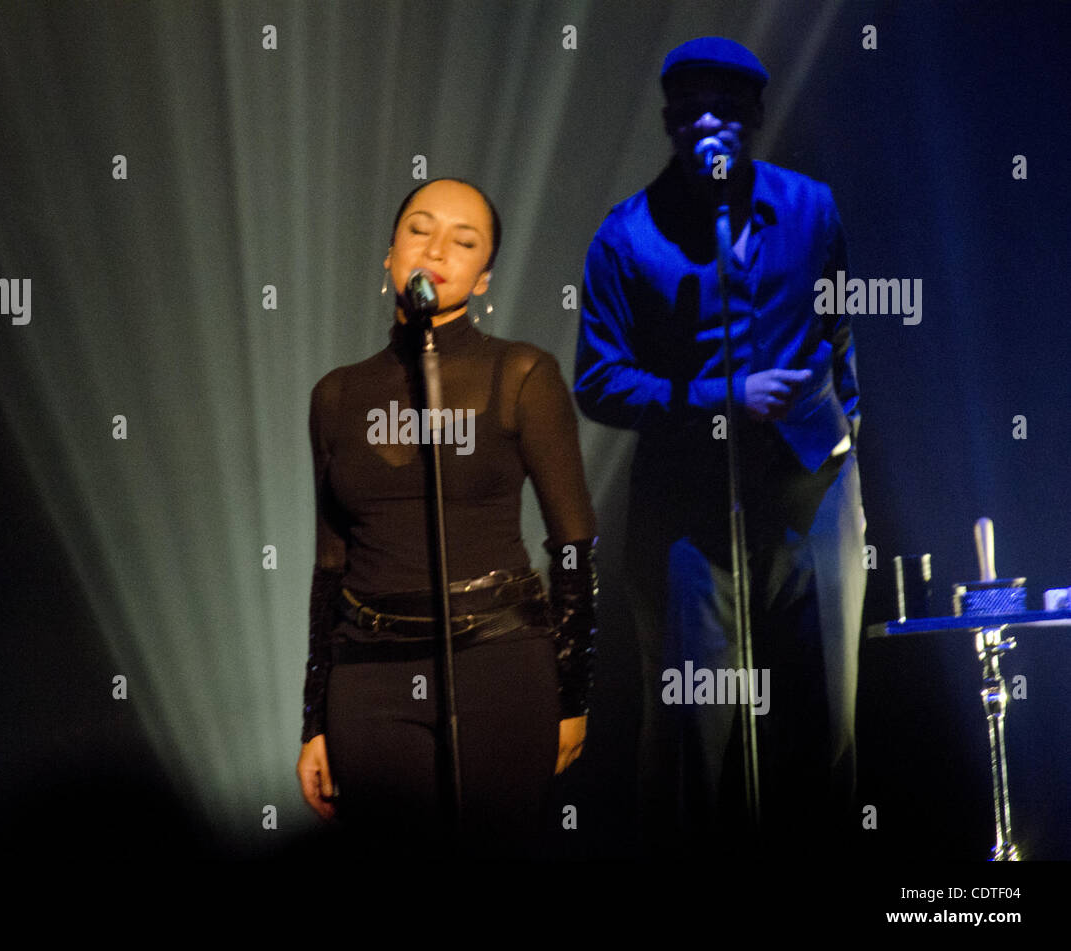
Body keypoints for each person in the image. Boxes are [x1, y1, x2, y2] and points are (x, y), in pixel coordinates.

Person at [573, 38, 866, 854]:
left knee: (824, 719)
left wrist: (845, 426)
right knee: (693, 732)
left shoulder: (811, 207)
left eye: (727, 106)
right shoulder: (626, 237)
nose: (709, 121)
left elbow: (841, 329)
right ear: (669, 120)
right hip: (692, 513)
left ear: (754, 116)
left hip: (815, 492)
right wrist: (720, 397)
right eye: (691, 107)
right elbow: (597, 381)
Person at [296, 178, 598, 854]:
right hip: (369, 676)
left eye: (463, 241)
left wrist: (571, 691)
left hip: (497, 660)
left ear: (485, 276)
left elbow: (574, 543)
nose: (436, 248)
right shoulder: (336, 394)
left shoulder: (522, 373)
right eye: (419, 229)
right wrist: (313, 718)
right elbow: (329, 563)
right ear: (388, 256)